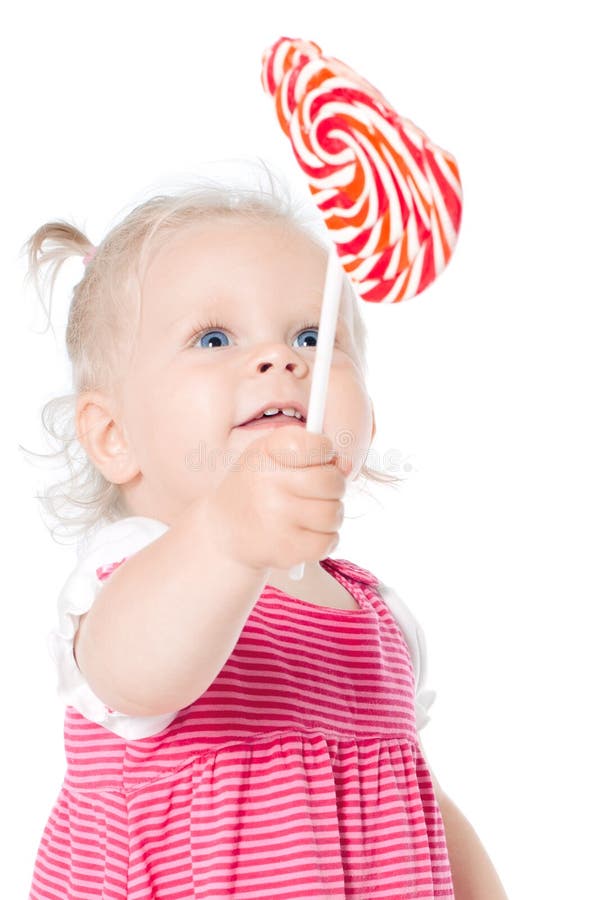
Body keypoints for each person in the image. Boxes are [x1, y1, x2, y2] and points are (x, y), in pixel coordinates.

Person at [23, 164, 508, 899]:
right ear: (113, 436)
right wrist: (225, 535)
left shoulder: (379, 618)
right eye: (213, 338)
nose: (282, 359)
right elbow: (134, 673)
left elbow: (416, 800)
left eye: (313, 335)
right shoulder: (131, 575)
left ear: (365, 423)